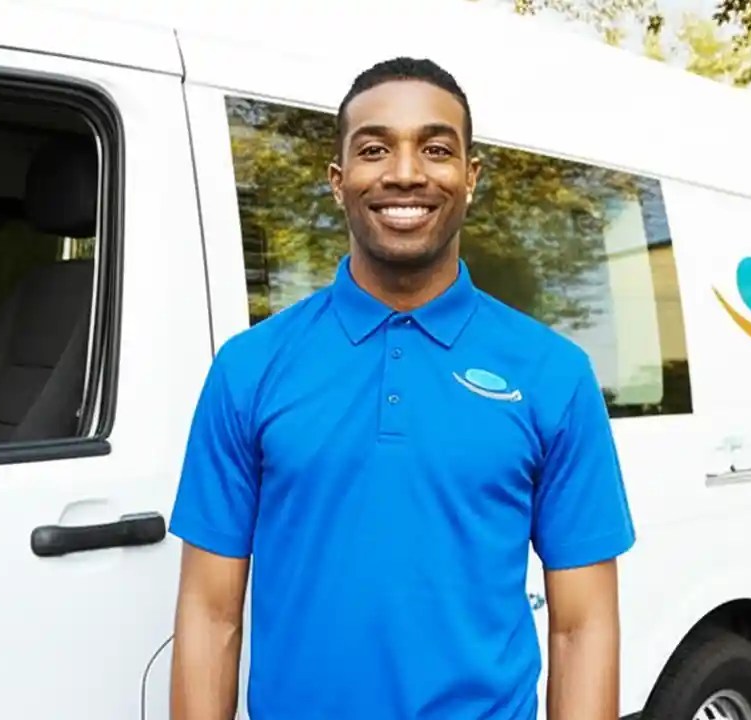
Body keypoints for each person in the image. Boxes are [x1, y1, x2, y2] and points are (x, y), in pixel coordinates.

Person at [168, 56, 635, 720]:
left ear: (470, 176)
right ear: (339, 181)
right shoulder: (249, 368)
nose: (406, 171)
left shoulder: (552, 374)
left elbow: (581, 627)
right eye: (375, 148)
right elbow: (209, 614)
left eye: (437, 148)